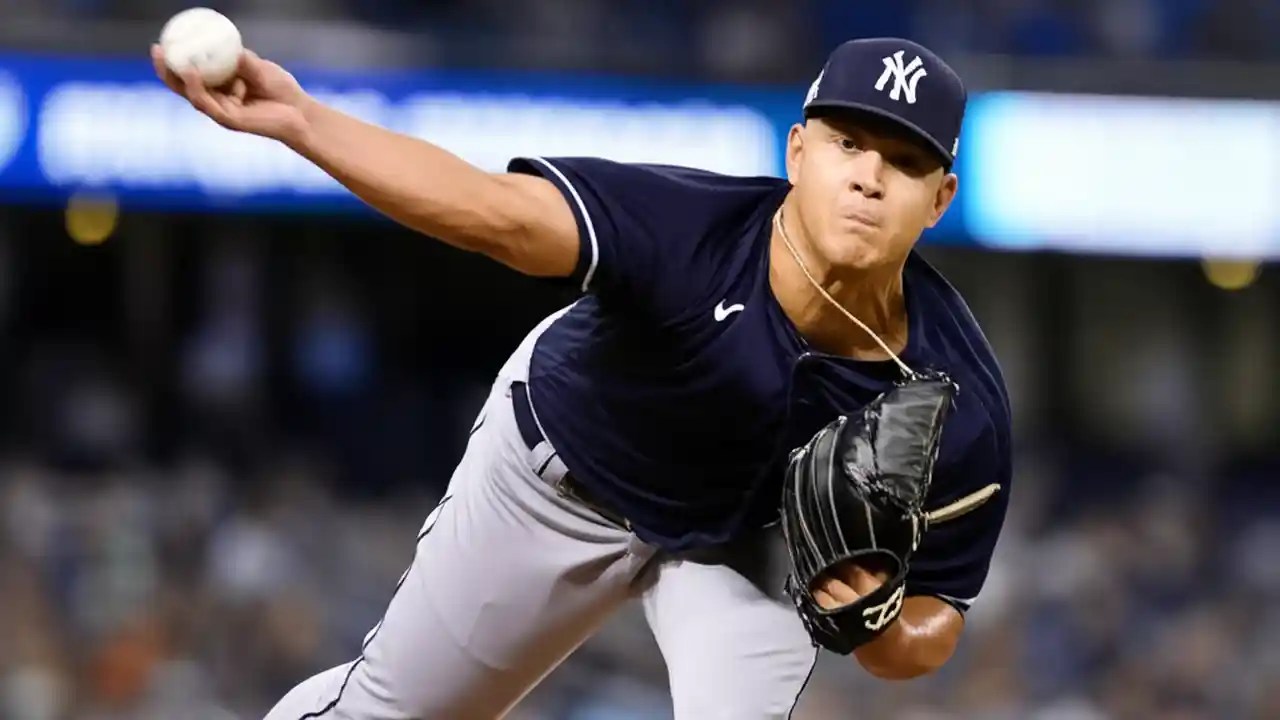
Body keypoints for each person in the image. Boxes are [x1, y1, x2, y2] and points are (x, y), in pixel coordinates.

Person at [152, 34, 1013, 720]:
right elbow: (493, 212)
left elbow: (936, 621)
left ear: (940, 199)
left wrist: (881, 622)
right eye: (848, 144)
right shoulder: (690, 234)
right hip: (560, 477)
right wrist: (304, 121)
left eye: (903, 164)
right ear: (797, 152)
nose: (868, 177)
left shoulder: (959, 397)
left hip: (741, 547)